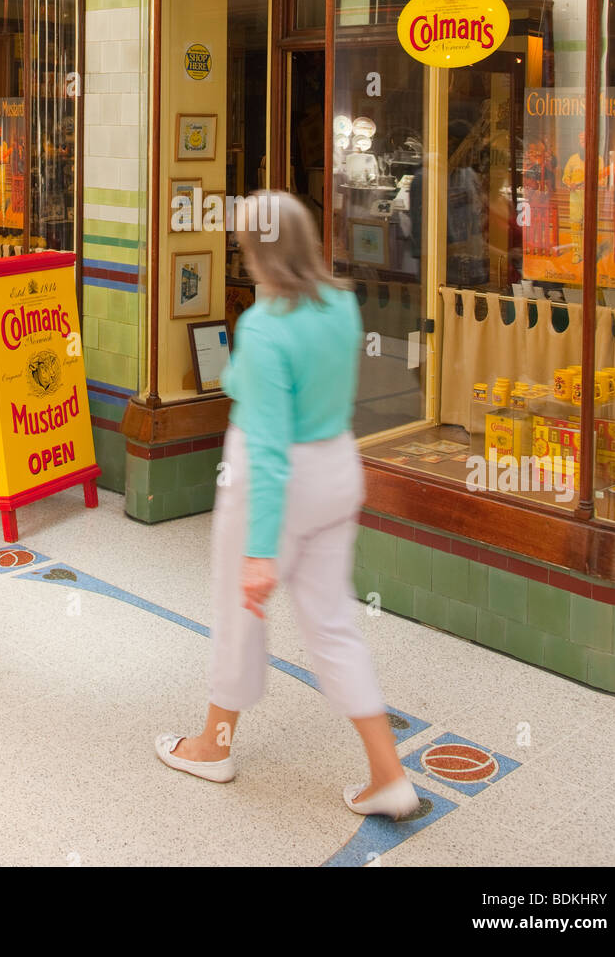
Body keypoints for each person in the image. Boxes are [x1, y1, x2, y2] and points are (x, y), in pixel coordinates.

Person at [155, 191, 419, 820]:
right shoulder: (338, 304)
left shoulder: (266, 328)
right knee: (332, 625)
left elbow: (270, 447)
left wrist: (260, 552)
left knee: (239, 613)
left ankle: (212, 746)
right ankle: (389, 776)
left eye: (246, 245)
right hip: (336, 468)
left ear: (262, 250)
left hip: (274, 483)